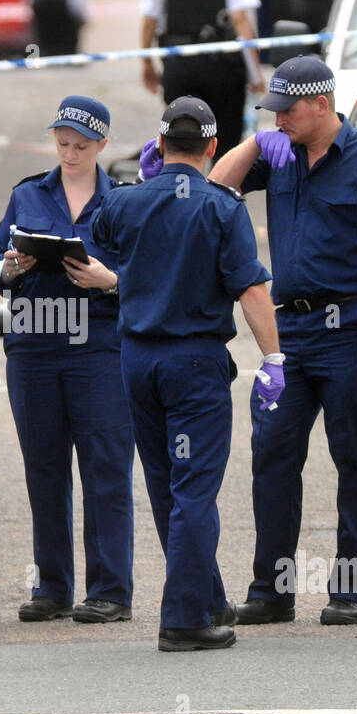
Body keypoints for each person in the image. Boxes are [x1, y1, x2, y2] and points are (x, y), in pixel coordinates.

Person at [209, 55, 357, 626]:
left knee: (353, 459)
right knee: (272, 456)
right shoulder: (280, 154)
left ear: (321, 104)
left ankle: (349, 589)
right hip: (289, 332)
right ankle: (272, 591)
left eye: (287, 110)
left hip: (351, 328)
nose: (280, 119)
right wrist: (256, 143)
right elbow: (215, 186)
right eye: (271, 111)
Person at [93, 96, 284, 651]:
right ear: (212, 147)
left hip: (136, 360)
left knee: (165, 489)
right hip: (193, 363)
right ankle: (183, 620)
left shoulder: (127, 201)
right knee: (195, 490)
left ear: (157, 146)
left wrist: (143, 191)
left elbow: (100, 235)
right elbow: (250, 288)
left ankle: (203, 597)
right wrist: (273, 359)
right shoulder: (223, 208)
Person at [0, 96, 135, 624]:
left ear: (101, 145)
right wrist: (10, 269)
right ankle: (52, 586)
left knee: (106, 467)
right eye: (63, 143)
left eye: (81, 146)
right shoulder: (28, 193)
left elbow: (146, 274)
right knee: (44, 468)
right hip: (33, 347)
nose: (70, 154)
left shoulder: (123, 202)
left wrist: (110, 279)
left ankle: (111, 589)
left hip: (99, 347)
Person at [139, 0, 265, 162]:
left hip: (178, 69)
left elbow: (149, 21)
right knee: (226, 143)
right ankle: (220, 193)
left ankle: (182, 194)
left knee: (182, 141)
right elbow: (242, 23)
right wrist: (255, 73)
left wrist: (147, 65)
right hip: (222, 70)